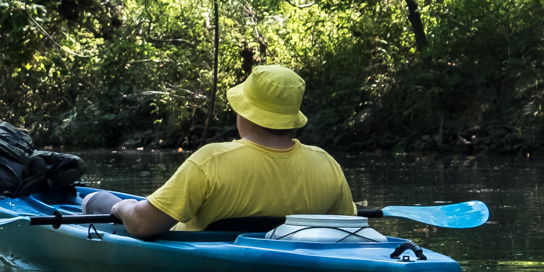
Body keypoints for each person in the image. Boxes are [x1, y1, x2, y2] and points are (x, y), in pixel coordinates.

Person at [83, 64, 355, 238]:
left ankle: (97, 199)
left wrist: (121, 206)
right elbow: (349, 233)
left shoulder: (211, 161)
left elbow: (143, 225)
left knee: (99, 201)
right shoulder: (327, 164)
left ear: (245, 114)